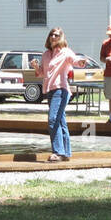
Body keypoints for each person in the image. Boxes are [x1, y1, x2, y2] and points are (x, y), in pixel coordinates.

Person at [34, 27, 74, 161]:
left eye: (56, 35)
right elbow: (41, 73)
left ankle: (58, 152)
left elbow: (74, 61)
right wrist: (35, 67)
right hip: (50, 90)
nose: (53, 37)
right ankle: (66, 154)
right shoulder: (45, 54)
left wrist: (80, 62)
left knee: (52, 120)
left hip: (61, 90)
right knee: (60, 121)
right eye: (51, 34)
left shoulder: (65, 52)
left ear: (61, 37)